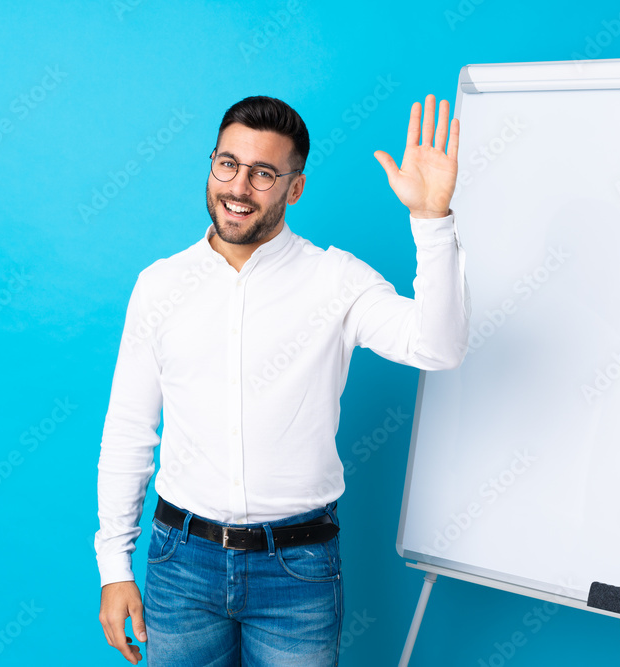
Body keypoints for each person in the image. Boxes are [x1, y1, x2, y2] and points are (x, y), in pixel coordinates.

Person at [94, 93, 468, 665]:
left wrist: (432, 220)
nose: (239, 188)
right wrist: (114, 567)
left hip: (298, 570)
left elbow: (438, 347)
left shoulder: (336, 280)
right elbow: (128, 429)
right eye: (228, 164)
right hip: (180, 564)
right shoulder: (159, 285)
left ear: (295, 188)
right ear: (212, 164)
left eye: (263, 173)